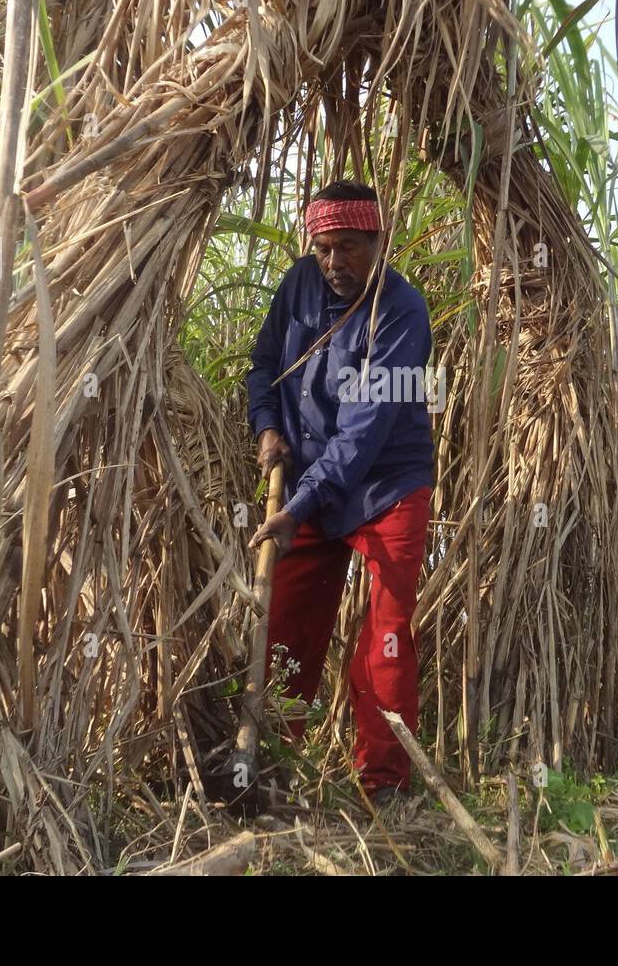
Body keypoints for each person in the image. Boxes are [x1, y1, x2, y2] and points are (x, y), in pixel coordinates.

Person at [246, 179, 435, 803]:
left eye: (349, 247)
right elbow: (264, 365)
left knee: (384, 640)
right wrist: (268, 426)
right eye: (324, 247)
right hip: (310, 481)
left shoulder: (402, 309)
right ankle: (270, 767)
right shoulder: (299, 284)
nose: (334, 263)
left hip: (386, 485)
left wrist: (298, 507)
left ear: (378, 241)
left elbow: (365, 428)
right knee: (286, 631)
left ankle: (383, 785)